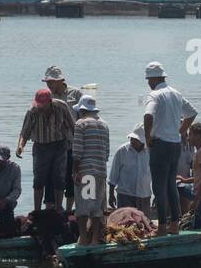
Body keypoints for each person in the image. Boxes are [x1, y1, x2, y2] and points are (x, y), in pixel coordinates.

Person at [142, 61, 197, 236]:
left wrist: (148, 137)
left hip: (160, 144)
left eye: (148, 80)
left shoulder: (155, 95)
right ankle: (174, 225)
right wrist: (180, 131)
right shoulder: (176, 94)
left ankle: (162, 227)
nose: (148, 83)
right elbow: (192, 113)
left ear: (152, 79)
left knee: (159, 186)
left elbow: (147, 115)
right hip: (174, 145)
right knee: (171, 185)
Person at [17, 85, 75, 213]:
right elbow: (24, 131)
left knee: (59, 177)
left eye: (43, 105)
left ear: (50, 101)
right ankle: (37, 210)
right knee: (39, 178)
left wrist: (78, 144)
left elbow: (72, 126)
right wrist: (20, 146)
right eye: (39, 105)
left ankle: (59, 208)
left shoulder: (62, 106)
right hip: (40, 146)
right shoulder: (32, 111)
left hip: (60, 144)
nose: (41, 108)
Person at [71, 95, 110, 246]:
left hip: (86, 172)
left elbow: (77, 152)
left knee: (83, 208)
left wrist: (75, 172)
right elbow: (106, 152)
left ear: (82, 110)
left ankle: (84, 239)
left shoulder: (80, 124)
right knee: (96, 208)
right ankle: (94, 239)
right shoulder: (104, 125)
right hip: (100, 171)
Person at [43, 66, 82, 214]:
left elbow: (83, 117)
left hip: (72, 143)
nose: (49, 84)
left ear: (61, 80)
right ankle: (51, 210)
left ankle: (69, 211)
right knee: (51, 179)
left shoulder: (76, 93)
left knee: (71, 177)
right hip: (52, 144)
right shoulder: (47, 96)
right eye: (47, 82)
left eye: (52, 81)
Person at [179, 122, 201, 230]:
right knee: (179, 187)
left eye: (191, 135)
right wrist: (185, 180)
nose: (188, 138)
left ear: (198, 136)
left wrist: (196, 200)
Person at [108, 127, 153, 214]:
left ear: (143, 141)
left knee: (144, 224)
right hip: (125, 195)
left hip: (144, 195)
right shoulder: (122, 150)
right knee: (124, 225)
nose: (132, 140)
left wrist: (158, 195)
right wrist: (111, 195)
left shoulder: (151, 152)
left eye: (136, 139)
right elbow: (113, 175)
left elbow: (155, 176)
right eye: (132, 138)